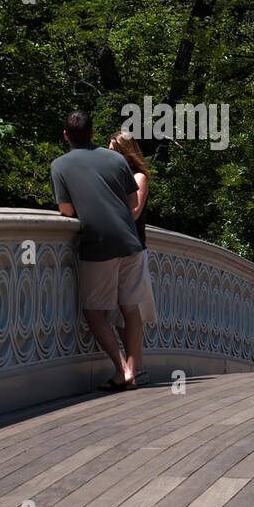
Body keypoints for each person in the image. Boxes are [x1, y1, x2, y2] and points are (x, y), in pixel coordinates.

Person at [50, 110, 146, 392]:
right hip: (130, 241)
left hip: (98, 243)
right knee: (130, 308)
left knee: (95, 313)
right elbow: (131, 200)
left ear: (66, 135)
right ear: (92, 132)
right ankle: (132, 367)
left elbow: (66, 211)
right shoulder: (117, 159)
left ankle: (123, 369)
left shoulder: (60, 165)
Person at [107, 130, 157, 385]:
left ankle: (134, 366)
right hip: (116, 248)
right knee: (118, 313)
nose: (110, 154)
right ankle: (131, 365)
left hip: (134, 247)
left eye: (115, 150)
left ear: (127, 153)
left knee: (130, 308)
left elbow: (135, 212)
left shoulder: (139, 177)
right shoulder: (115, 178)